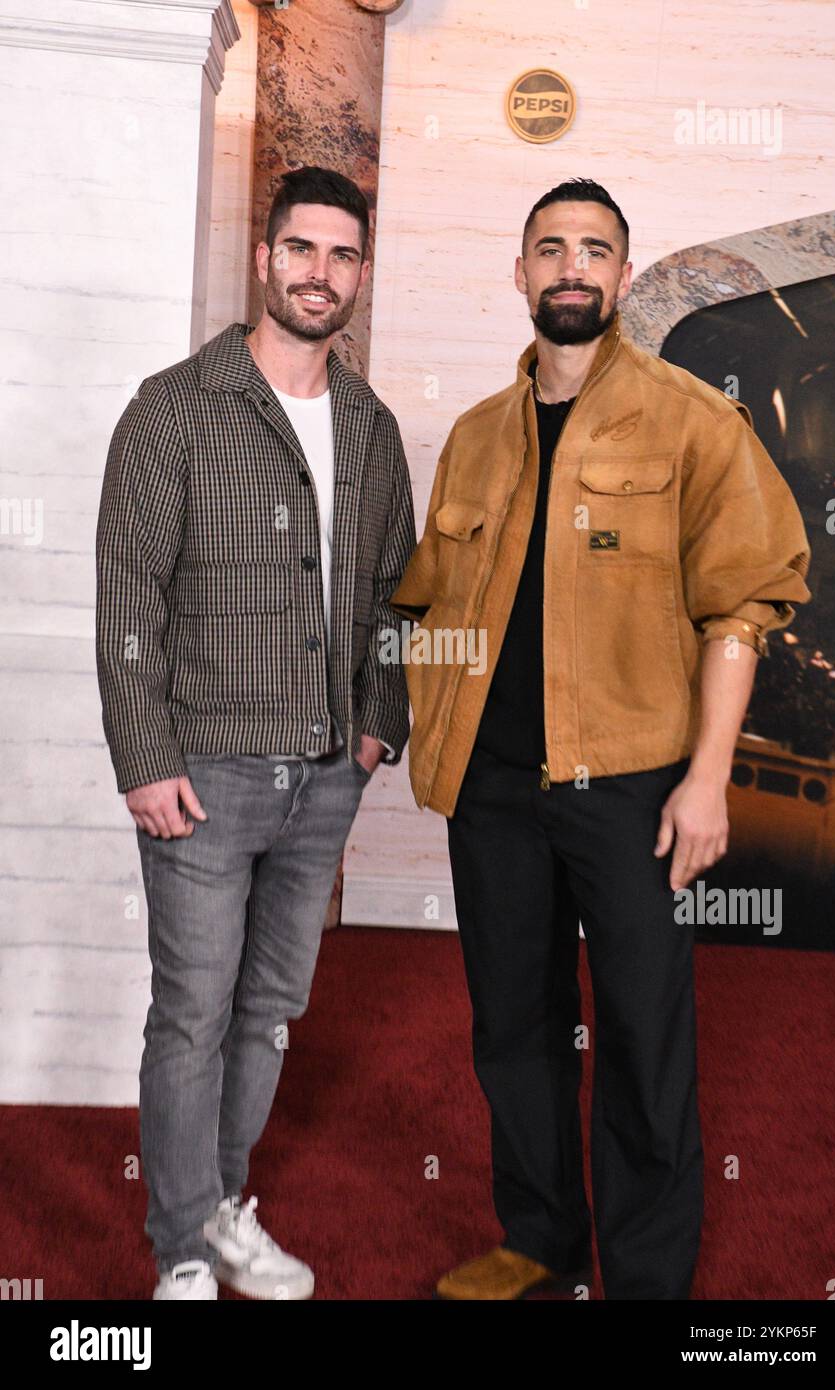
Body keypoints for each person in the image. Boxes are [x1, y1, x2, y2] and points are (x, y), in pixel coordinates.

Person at [389, 178, 811, 1300]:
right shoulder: (476, 437)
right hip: (491, 788)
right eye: (549, 248)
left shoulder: (691, 420)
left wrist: (707, 781)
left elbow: (742, 609)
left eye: (594, 250)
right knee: (512, 1028)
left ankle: (644, 1277)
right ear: (520, 273)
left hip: (630, 786)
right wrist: (406, 732)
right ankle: (535, 1239)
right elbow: (430, 607)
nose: (570, 266)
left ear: (622, 277)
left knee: (640, 1035)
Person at [96, 166, 415, 1300]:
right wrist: (144, 756)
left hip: (323, 777)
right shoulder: (173, 407)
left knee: (270, 1010)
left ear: (359, 275)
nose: (318, 272)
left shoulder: (372, 427)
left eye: (340, 255)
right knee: (192, 1008)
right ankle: (180, 1249)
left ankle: (224, 1203)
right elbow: (129, 592)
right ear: (265, 258)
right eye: (300, 249)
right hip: (204, 773)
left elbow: (396, 593)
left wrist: (375, 730)